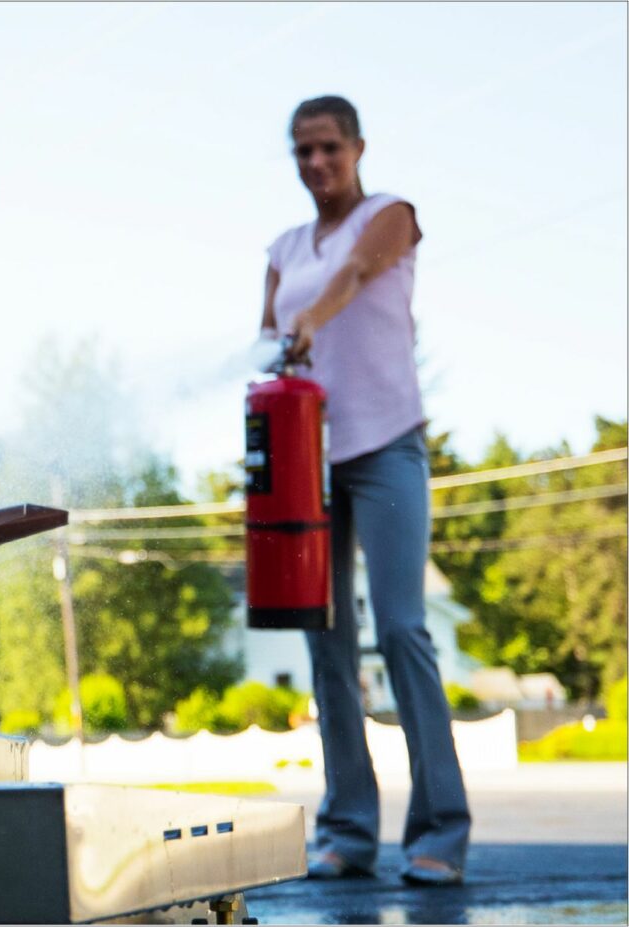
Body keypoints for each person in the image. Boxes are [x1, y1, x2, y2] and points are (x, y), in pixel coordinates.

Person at [259, 95, 470, 886]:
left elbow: (353, 273)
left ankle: (441, 831)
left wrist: (312, 317)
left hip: (385, 447)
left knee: (403, 626)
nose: (316, 163)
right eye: (301, 152)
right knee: (325, 639)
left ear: (356, 147)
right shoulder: (281, 247)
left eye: (328, 148)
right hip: (306, 460)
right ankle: (347, 828)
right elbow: (266, 342)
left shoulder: (390, 215)